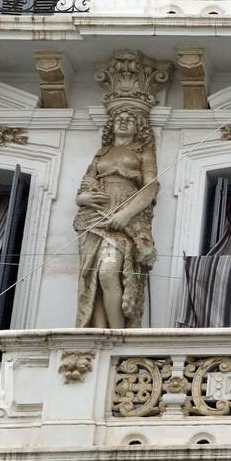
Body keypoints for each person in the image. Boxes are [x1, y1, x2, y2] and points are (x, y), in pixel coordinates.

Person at [74, 107, 159, 329]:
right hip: (95, 218)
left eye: (129, 119)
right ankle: (100, 329)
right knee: (94, 276)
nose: (123, 121)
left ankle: (120, 335)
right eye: (119, 118)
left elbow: (150, 188)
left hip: (126, 221)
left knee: (108, 272)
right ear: (111, 125)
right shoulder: (101, 153)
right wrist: (82, 199)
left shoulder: (143, 152)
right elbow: (85, 186)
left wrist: (126, 214)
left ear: (138, 127)